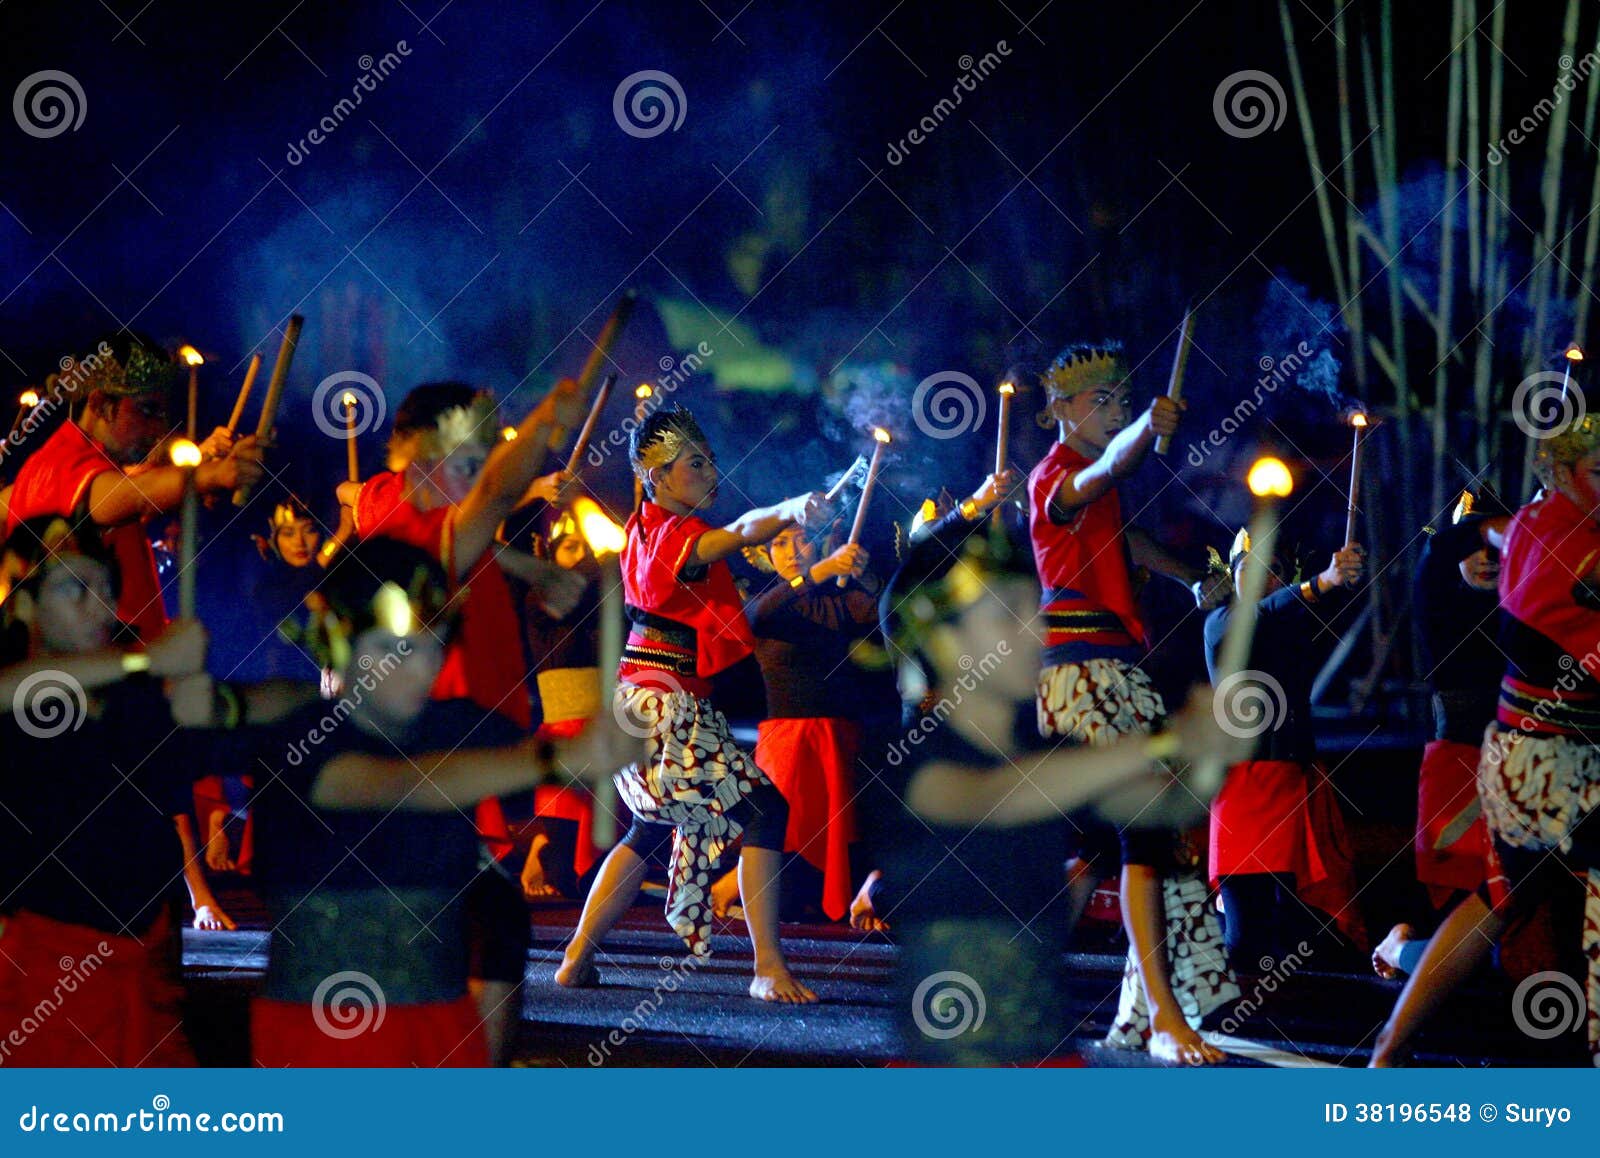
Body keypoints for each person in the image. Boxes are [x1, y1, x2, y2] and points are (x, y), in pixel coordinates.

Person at [242, 538, 636, 1066]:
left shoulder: (462, 724)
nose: (422, 666)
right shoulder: (299, 736)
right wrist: (560, 756)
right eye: (395, 648)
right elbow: (406, 786)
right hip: (322, 1035)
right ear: (340, 637)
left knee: (501, 906)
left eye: (433, 644)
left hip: (441, 1023)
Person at [866, 520, 1248, 1063]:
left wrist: (1209, 755)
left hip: (1044, 1045)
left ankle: (1162, 1012)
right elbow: (999, 794)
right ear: (945, 639)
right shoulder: (915, 763)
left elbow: (1160, 808)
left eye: (1033, 609)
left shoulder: (1050, 749)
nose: (1038, 631)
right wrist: (1154, 744)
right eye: (1008, 615)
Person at [344, 377, 586, 1062]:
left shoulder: (436, 507)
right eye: (468, 446)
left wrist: (531, 570)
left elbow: (477, 526)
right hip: (425, 725)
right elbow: (486, 505)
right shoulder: (392, 496)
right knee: (457, 918)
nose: (475, 463)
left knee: (483, 916)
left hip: (463, 716)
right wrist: (540, 429)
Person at [554, 406, 823, 1002]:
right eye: (694, 463)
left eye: (709, 460)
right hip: (663, 706)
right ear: (658, 477)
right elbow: (745, 529)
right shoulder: (678, 536)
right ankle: (767, 968)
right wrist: (787, 510)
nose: (710, 471)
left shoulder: (643, 533)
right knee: (763, 812)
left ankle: (576, 957)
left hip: (639, 700)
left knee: (649, 826)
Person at [4, 332, 265, 933]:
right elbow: (123, 497)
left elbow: (131, 494)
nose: (155, 426)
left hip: (94, 682)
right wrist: (208, 475)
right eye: (143, 410)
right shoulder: (66, 472)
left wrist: (201, 456)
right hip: (88, 690)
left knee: (155, 793)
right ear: (97, 403)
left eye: (160, 412)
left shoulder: (66, 465)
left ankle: (185, 902)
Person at [1026, 341, 1235, 1065]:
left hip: (1112, 669)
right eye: (1100, 402)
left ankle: (1110, 1007)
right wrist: (1145, 428)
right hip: (1083, 674)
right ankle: (1167, 1021)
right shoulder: (1053, 478)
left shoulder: (1099, 493)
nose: (1110, 411)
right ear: (1058, 410)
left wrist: (1191, 578)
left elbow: (1130, 539)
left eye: (1120, 401)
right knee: (1143, 830)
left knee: (1109, 842)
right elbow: (1112, 466)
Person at [1371, 418, 1600, 1066]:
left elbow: (1483, 532)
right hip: (1541, 763)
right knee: (1502, 900)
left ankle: (1389, 1045)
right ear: (1561, 474)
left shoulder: (1527, 529)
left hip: (1529, 753)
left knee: (1503, 898)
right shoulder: (1566, 547)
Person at [0, 518, 243, 1064]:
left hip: (140, 972)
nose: (101, 605)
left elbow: (171, 801)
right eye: (75, 588)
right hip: (42, 980)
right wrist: (145, 657)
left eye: (107, 588)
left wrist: (215, 708)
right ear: (21, 604)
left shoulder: (135, 701)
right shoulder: (15, 702)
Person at [1203, 529, 1366, 968]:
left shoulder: (1295, 625)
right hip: (1242, 791)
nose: (1260, 579)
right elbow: (1262, 614)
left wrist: (1342, 580)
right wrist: (1321, 583)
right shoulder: (1220, 625)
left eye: (1271, 571)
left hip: (1296, 787)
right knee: (1246, 940)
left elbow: (1310, 611)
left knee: (1304, 933)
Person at [1374, 491, 1507, 977]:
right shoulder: (1437, 593)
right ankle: (1400, 947)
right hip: (1458, 761)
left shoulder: (1520, 599)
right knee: (1459, 899)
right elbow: (1438, 551)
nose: (1488, 559)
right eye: (1479, 546)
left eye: (1498, 548)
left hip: (1515, 762)